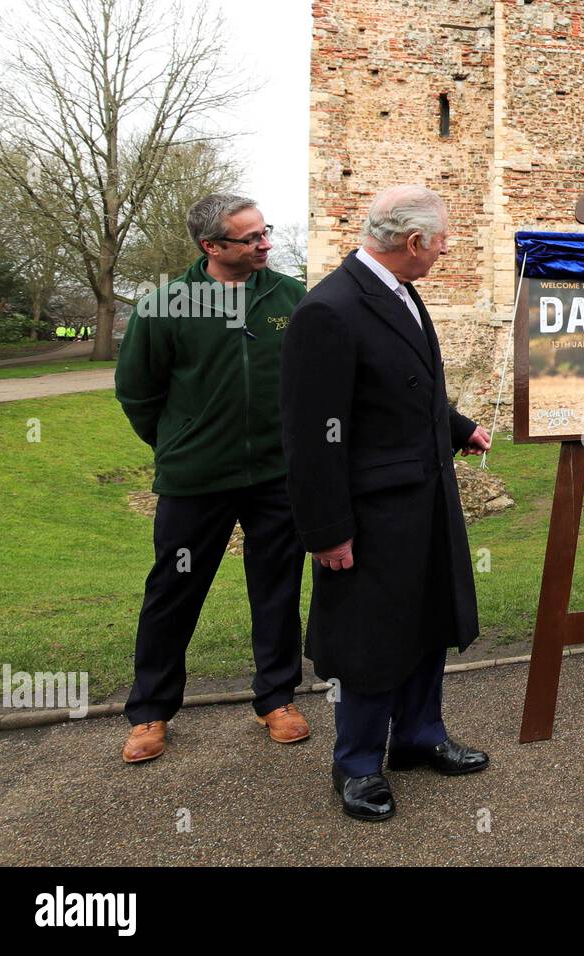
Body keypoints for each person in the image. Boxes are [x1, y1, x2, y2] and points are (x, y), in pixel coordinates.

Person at [281, 184, 492, 823]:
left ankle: (421, 735)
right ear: (411, 242)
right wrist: (325, 531)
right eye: (442, 240)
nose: (446, 249)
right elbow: (310, 435)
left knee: (426, 620)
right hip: (371, 511)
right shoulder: (331, 309)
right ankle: (359, 763)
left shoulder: (398, 290)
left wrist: (458, 429)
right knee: (372, 638)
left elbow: (408, 388)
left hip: (425, 496)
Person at [114, 194, 309, 763]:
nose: (265, 244)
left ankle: (276, 698)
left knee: (276, 587)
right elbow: (137, 391)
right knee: (173, 591)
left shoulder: (289, 296)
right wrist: (180, 443)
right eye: (251, 238)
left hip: (275, 475)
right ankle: (150, 711)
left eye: (265, 232)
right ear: (212, 246)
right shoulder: (167, 305)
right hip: (195, 478)